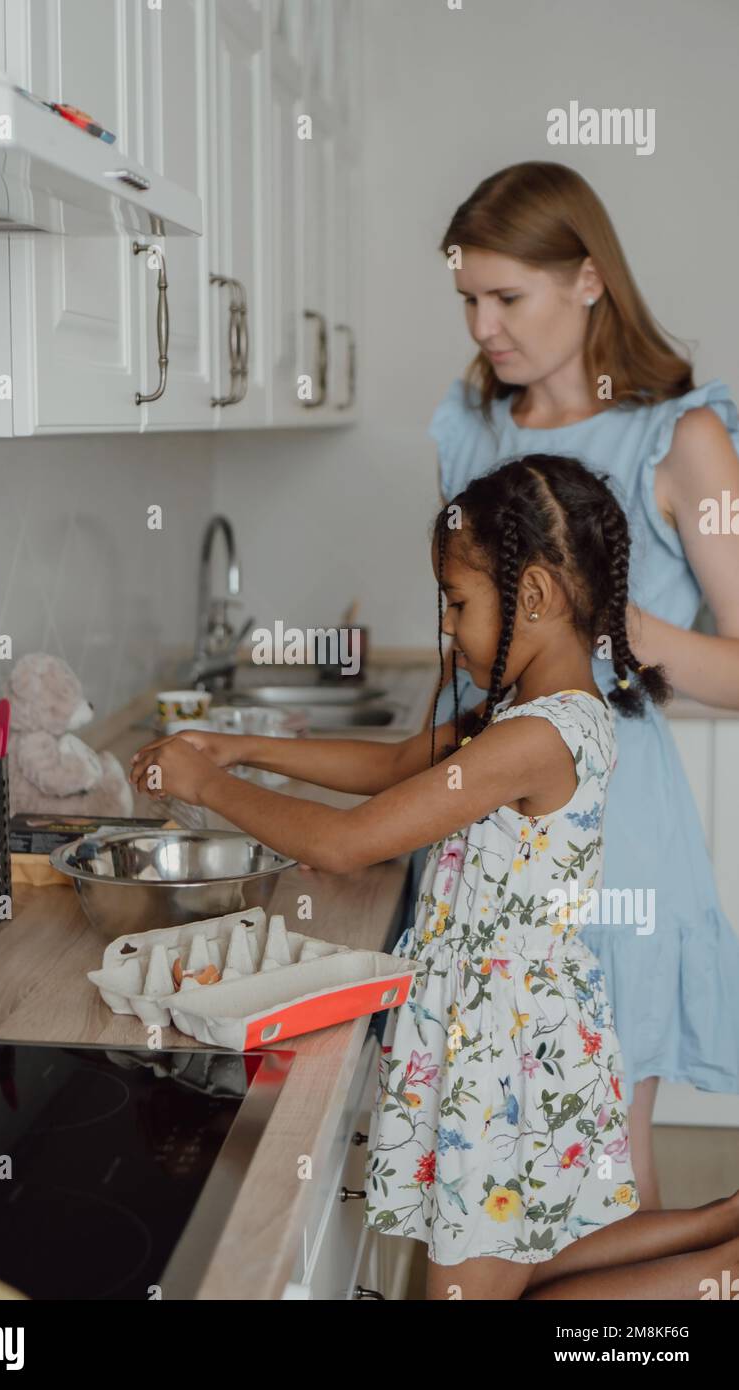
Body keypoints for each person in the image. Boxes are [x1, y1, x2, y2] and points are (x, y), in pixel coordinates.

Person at [130, 456, 739, 1301]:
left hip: (503, 1048)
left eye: (457, 603)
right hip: (505, 1029)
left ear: (534, 596)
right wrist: (242, 750)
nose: (448, 629)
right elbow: (391, 765)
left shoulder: (538, 736)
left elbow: (347, 844)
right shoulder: (520, 713)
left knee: (482, 1285)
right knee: (516, 1258)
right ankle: (723, 1227)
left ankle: (723, 1271)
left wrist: (207, 787)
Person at [423, 160, 739, 1211]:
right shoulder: (469, 432)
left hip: (615, 837)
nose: (481, 326)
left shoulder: (680, 439)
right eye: (466, 298)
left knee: (597, 1154)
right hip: (485, 816)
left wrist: (626, 632)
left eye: (506, 297)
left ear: (588, 280)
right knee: (486, 1144)